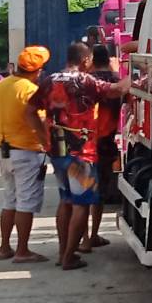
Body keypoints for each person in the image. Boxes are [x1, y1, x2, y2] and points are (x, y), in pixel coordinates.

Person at [33, 40, 127, 270]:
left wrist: (43, 137)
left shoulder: (49, 80)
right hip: (81, 154)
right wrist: (132, 74)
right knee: (81, 204)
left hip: (57, 152)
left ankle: (62, 252)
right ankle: (69, 257)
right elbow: (116, 90)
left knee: (65, 201)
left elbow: (29, 109)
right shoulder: (85, 81)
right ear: (86, 60)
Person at [0, 46, 52, 263]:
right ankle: (22, 251)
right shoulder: (30, 90)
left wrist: (0, 141)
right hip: (26, 152)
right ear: (38, 70)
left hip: (4, 150)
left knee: (10, 200)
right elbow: (40, 121)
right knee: (26, 202)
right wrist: (47, 144)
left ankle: (4, 247)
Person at [86, 42, 122, 249]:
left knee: (82, 192)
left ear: (91, 61)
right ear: (108, 60)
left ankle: (83, 238)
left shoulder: (84, 82)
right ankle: (94, 235)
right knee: (99, 194)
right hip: (105, 144)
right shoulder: (115, 81)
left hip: (83, 143)